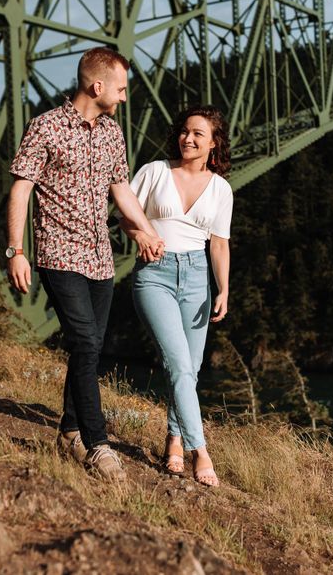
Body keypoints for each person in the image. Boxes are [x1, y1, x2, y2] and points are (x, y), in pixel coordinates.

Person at [6, 47, 165, 482]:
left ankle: (69, 430)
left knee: (88, 347)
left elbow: (122, 191)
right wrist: (15, 251)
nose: (124, 97)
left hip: (100, 258)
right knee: (86, 342)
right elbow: (21, 188)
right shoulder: (46, 127)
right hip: (58, 254)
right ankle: (97, 444)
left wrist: (145, 231)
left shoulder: (113, 133)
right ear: (97, 87)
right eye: (121, 89)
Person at [121, 105, 233, 487]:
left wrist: (224, 289)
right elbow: (125, 213)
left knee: (191, 367)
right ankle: (200, 452)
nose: (188, 138)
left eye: (198, 133)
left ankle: (173, 439)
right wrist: (140, 235)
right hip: (155, 275)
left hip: (198, 277)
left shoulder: (221, 188)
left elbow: (219, 244)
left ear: (214, 142)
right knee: (179, 365)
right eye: (185, 131)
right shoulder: (154, 172)